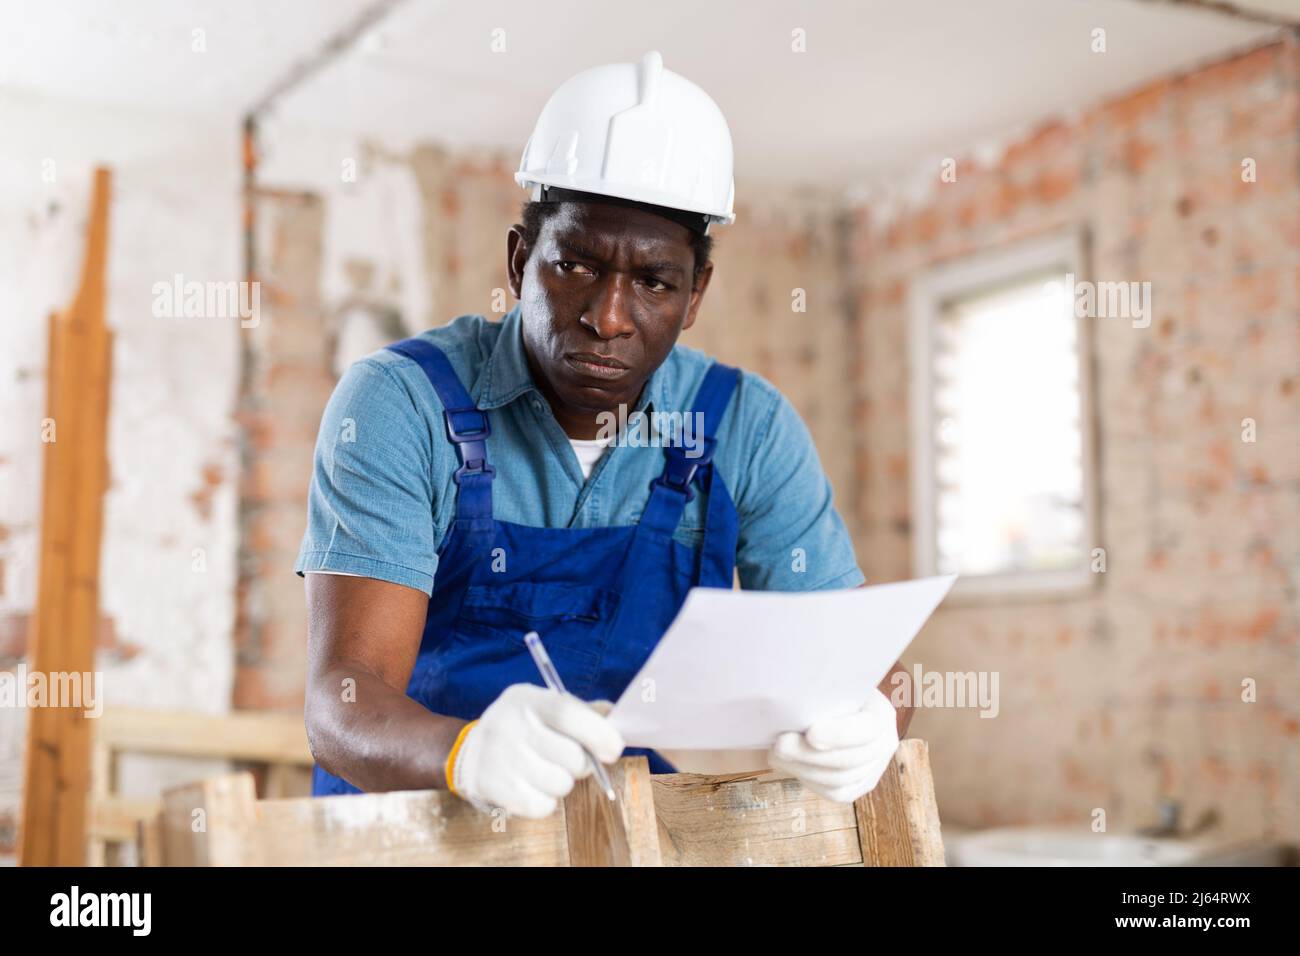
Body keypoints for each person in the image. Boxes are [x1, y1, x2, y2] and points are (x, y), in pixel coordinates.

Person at [297, 51, 911, 818]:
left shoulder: (745, 426)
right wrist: (462, 753)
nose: (608, 316)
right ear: (521, 259)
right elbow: (342, 702)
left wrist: (870, 722)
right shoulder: (401, 402)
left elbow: (862, 664)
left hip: (628, 834)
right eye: (576, 266)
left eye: (653, 282)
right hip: (408, 830)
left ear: (694, 297)